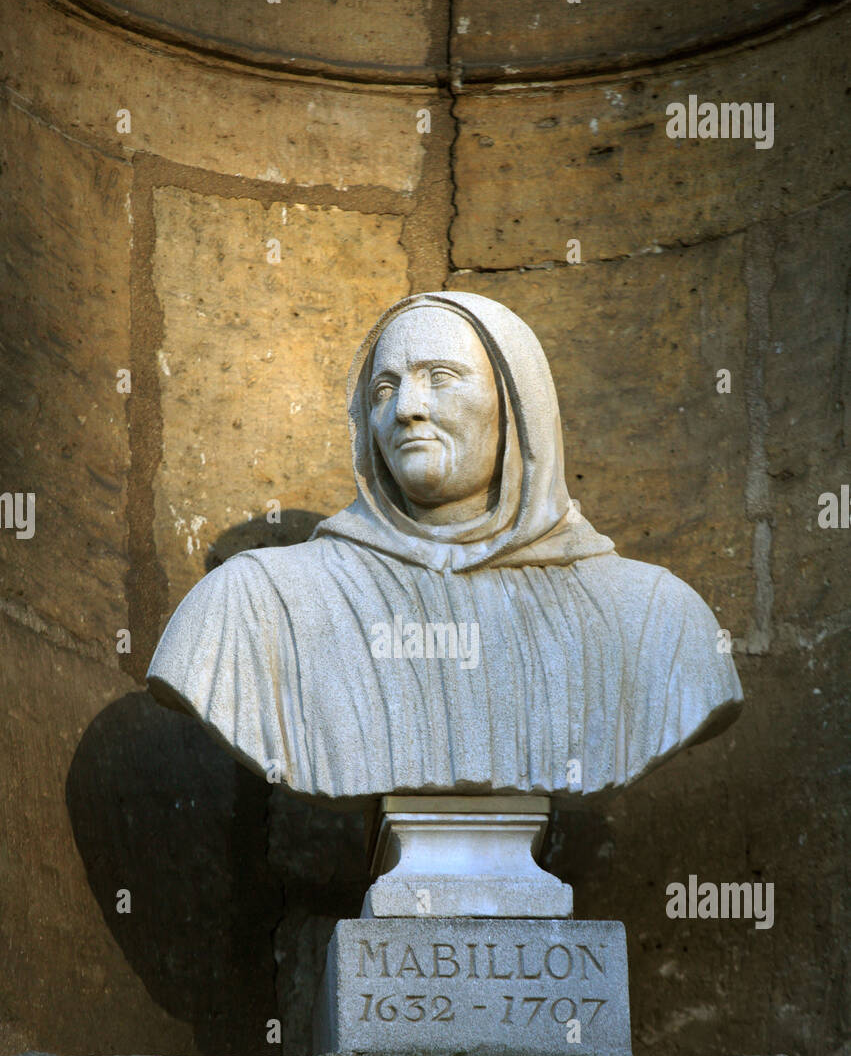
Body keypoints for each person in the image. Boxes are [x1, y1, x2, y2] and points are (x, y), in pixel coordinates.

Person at [147, 291, 742, 803]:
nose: (407, 407)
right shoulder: (254, 605)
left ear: (516, 407)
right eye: (385, 387)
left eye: (440, 377)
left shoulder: (656, 619)